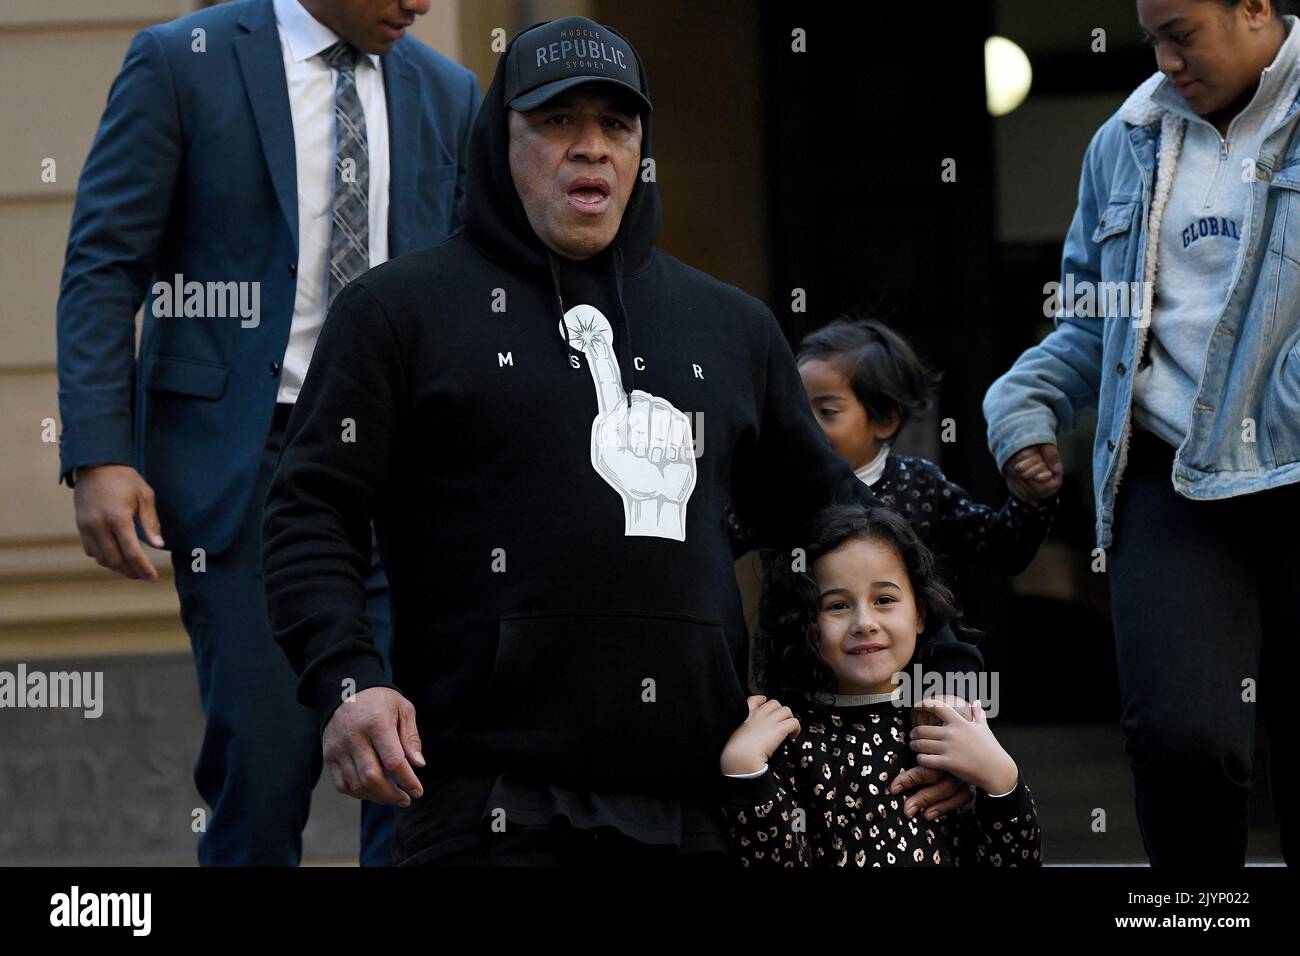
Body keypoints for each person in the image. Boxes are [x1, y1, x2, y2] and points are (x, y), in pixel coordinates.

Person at [261, 15, 983, 867]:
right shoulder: (395, 314)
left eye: (616, 123)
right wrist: (349, 679)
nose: (591, 147)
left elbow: (840, 525)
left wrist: (944, 688)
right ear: (501, 143)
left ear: (642, 147)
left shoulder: (732, 326)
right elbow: (310, 510)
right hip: (486, 805)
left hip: (705, 801)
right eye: (557, 121)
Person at [55, 0, 479, 865]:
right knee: (264, 766)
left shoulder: (450, 90)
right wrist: (100, 450)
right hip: (253, 469)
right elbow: (105, 264)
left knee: (419, 775)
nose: (422, 4)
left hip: (411, 479)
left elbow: (471, 285)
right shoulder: (183, 61)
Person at [984, 0, 1300, 866]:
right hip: (1169, 477)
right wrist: (1025, 403)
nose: (1163, 59)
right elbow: (1093, 320)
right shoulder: (1123, 140)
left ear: (1255, 9)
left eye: (1181, 33)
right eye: (1150, 35)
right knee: (1182, 742)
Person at [719, 504, 1042, 867]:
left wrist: (1001, 779)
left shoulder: (945, 727)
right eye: (837, 605)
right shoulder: (785, 736)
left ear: (920, 614)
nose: (864, 622)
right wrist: (745, 770)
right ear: (804, 622)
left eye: (884, 600)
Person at [730, 316, 1058, 576]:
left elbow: (997, 552)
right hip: (796, 658)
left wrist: (1029, 502)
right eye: (800, 410)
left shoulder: (920, 485)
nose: (807, 426)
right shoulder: (781, 487)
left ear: (885, 419)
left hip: (905, 661)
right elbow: (719, 539)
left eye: (827, 412)